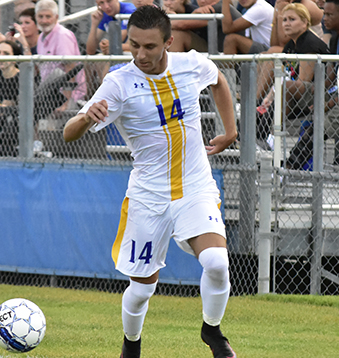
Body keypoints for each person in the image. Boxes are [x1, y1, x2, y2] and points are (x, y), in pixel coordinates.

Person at [63, 6, 238, 358]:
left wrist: (230, 131)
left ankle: (213, 332)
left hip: (195, 188)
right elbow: (69, 134)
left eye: (149, 47)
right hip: (148, 197)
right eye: (134, 45)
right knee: (142, 289)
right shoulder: (118, 83)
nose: (140, 54)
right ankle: (131, 345)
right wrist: (85, 118)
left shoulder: (190, 64)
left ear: (168, 43)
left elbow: (218, 80)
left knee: (218, 263)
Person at [286, 0, 339, 170]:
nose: (324, 18)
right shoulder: (335, 40)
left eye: (329, 15)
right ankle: (265, 131)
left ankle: (291, 166)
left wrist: (329, 103)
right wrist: (314, 92)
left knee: (317, 128)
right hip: (337, 94)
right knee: (293, 88)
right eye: (324, 14)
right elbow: (330, 79)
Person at [257, 3, 329, 145]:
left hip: (319, 93)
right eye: (284, 20)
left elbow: (302, 82)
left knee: (287, 88)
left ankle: (269, 135)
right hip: (293, 92)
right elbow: (285, 73)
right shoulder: (290, 45)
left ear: (304, 23)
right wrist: (269, 97)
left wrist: (275, 95)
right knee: (268, 99)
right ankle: (256, 133)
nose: (286, 24)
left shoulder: (309, 43)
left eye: (292, 19)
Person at [35, 0, 85, 115]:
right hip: (50, 95)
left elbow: (70, 69)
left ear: (56, 17)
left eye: (48, 16)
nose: (44, 21)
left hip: (66, 97)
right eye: (40, 16)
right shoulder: (41, 37)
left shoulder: (62, 35)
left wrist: (65, 103)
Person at [169, 0, 246, 53]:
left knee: (177, 35)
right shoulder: (204, 9)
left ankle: (175, 73)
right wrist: (194, 13)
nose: (202, 1)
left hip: (224, 57)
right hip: (216, 52)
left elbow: (181, 25)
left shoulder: (217, 7)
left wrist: (160, 25)